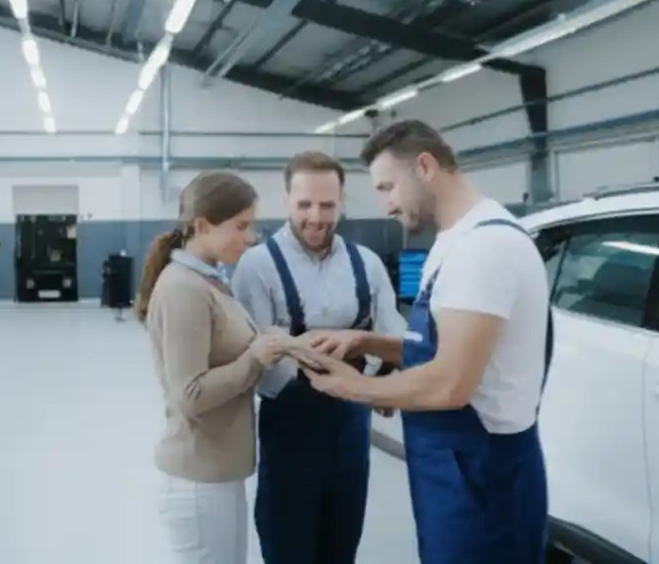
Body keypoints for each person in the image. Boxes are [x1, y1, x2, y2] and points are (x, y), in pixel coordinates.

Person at [300, 120, 553, 564]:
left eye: (387, 187)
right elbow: (445, 349)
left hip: (482, 481)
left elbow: (449, 383)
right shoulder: (454, 241)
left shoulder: (484, 248)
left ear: (424, 166)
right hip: (454, 473)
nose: (386, 206)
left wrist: (348, 386)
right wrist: (367, 343)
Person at [229, 151, 405, 564]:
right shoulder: (257, 267)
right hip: (290, 435)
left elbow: (392, 331)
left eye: (327, 205)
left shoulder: (368, 264)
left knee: (341, 548)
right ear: (287, 200)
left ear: (342, 201)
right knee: (288, 548)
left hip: (352, 434)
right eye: (305, 204)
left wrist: (382, 383)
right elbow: (254, 358)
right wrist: (325, 369)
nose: (316, 216)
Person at [138, 171, 293, 564]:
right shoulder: (183, 289)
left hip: (219, 475)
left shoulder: (209, 282)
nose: (251, 237)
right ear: (203, 225)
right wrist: (255, 357)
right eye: (241, 226)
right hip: (197, 482)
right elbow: (190, 395)